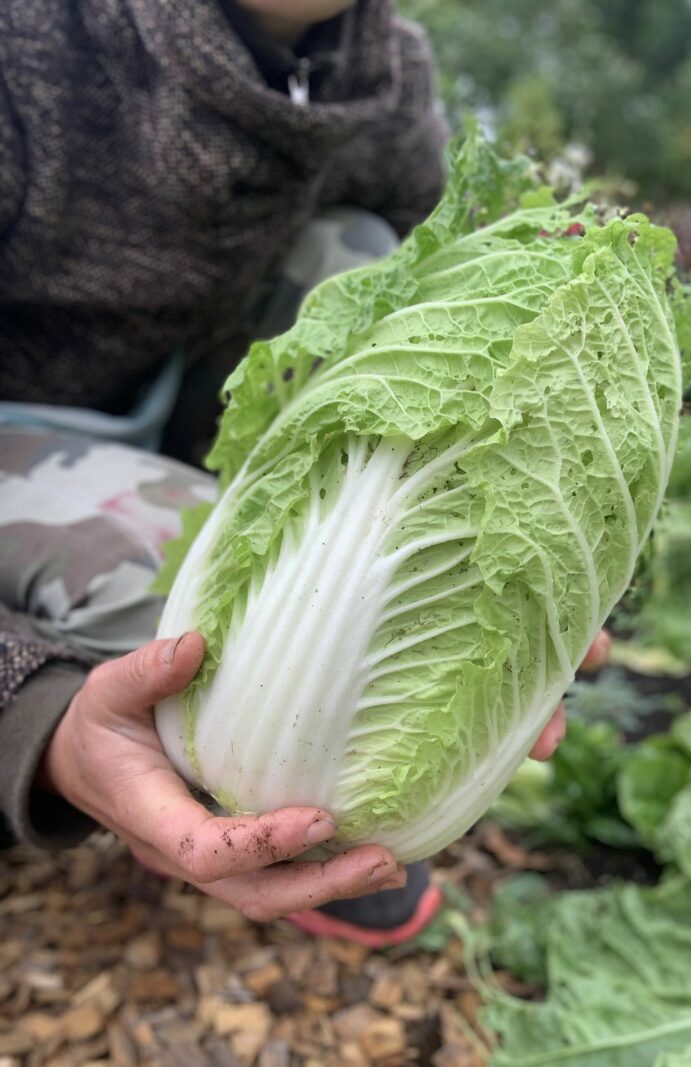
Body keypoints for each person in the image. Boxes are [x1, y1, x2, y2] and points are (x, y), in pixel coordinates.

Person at [0, 0, 608, 945]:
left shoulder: (387, 70)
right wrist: (30, 707)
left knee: (382, 256)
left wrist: (541, 567)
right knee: (173, 571)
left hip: (184, 397)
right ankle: (245, 768)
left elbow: (470, 348)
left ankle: (307, 806)